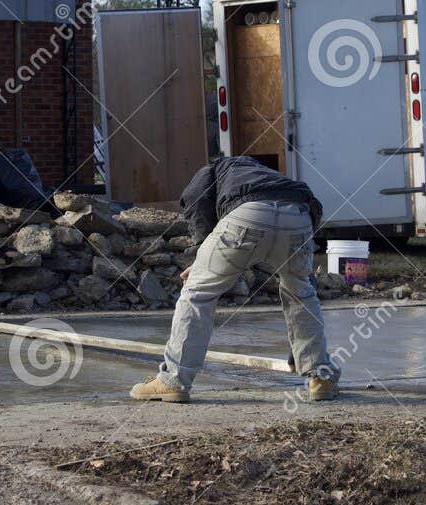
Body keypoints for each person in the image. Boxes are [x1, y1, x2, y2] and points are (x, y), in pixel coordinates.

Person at [131, 156, 339, 404]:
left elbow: (195, 198)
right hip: (298, 217)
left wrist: (200, 254)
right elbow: (312, 207)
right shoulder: (272, 176)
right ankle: (320, 377)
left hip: (247, 216)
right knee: (301, 293)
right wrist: (299, 353)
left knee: (197, 294)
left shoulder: (214, 168)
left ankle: (173, 381)